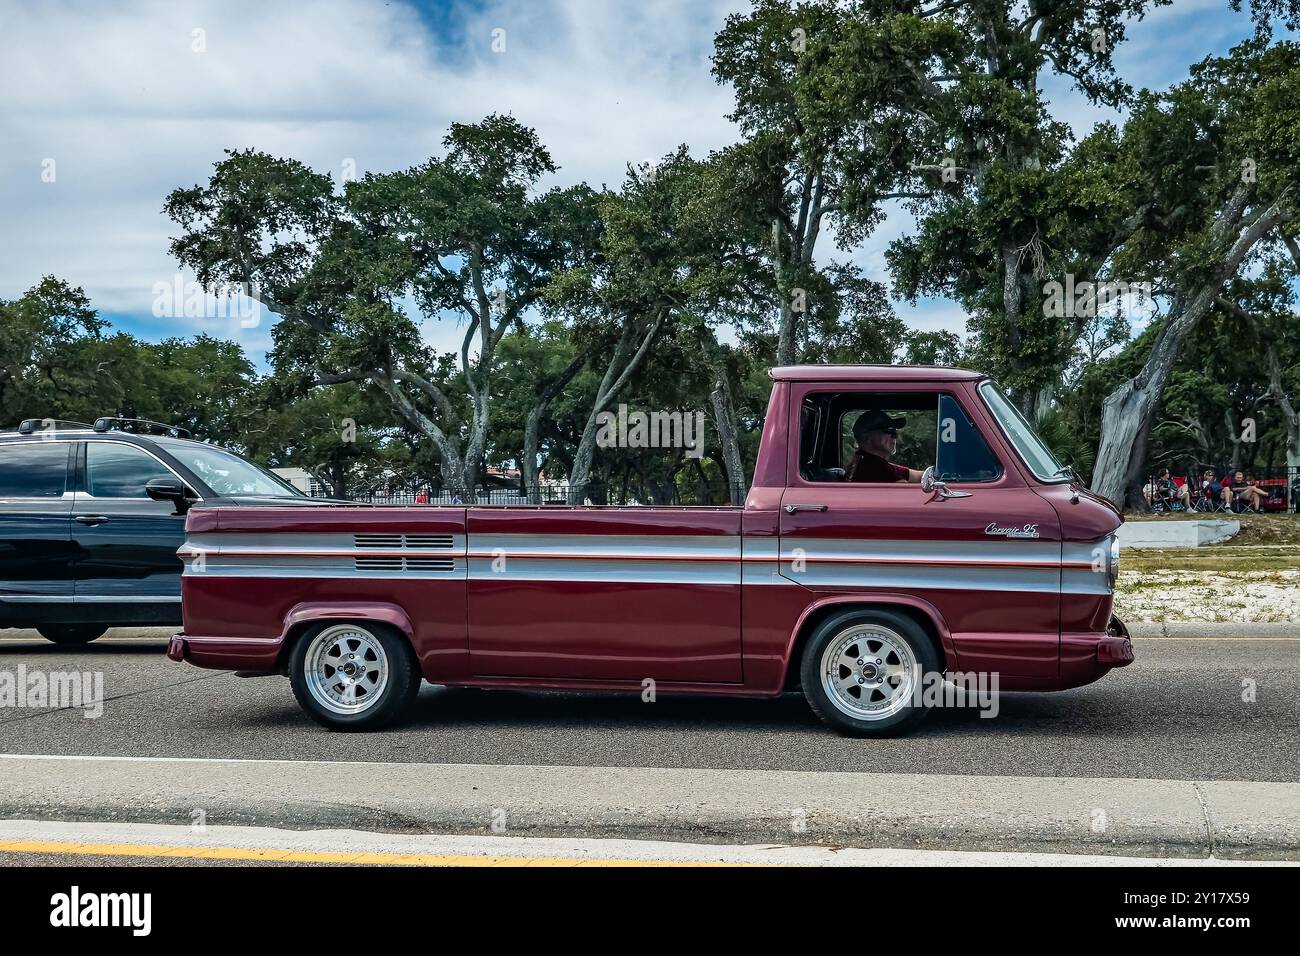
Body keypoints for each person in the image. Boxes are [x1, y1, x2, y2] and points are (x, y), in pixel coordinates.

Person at [845, 409, 924, 483]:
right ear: (866, 438)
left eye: (894, 430)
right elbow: (909, 494)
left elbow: (919, 476)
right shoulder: (874, 468)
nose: (895, 436)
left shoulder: (865, 461)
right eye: (888, 430)